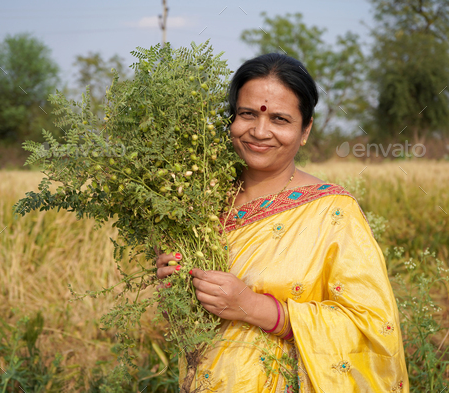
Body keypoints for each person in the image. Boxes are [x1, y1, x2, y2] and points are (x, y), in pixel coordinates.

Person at [156, 53, 409, 392]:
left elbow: (373, 328)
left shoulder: (332, 211)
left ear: (305, 130)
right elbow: (188, 325)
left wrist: (252, 307)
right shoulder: (197, 202)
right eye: (247, 114)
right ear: (231, 119)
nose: (260, 132)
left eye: (280, 119)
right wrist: (172, 284)